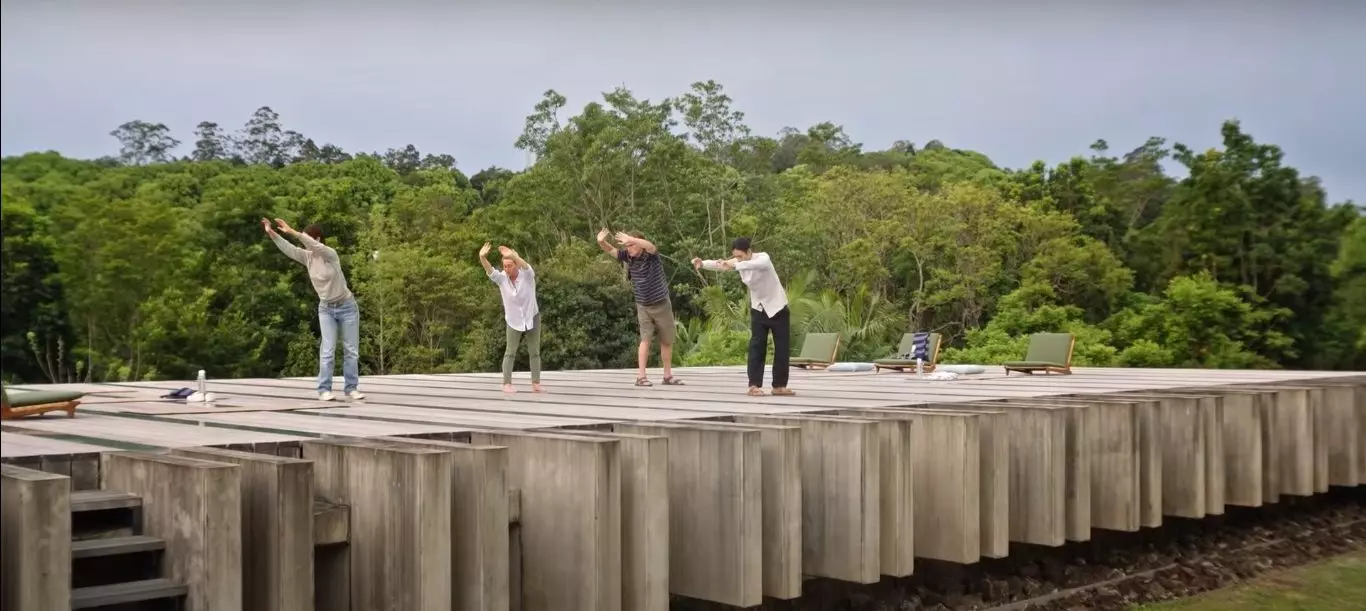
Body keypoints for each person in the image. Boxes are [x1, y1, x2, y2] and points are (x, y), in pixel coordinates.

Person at [262, 218, 364, 401]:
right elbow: (289, 249)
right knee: (327, 350)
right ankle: (324, 389)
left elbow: (307, 242)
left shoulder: (330, 255)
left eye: (309, 239)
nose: (306, 243)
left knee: (350, 350)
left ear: (317, 240)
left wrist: (293, 231)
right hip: (326, 309)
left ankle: (351, 388)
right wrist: (271, 232)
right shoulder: (307, 257)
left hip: (347, 306)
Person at [692, 237, 795, 396]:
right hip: (759, 308)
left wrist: (735, 264)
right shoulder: (739, 262)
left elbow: (754, 265)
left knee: (782, 348)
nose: (737, 258)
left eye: (740, 255)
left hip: (778, 307)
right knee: (756, 346)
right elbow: (722, 264)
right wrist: (703, 263)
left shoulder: (763, 258)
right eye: (736, 256)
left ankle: (779, 385)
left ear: (749, 251)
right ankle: (754, 385)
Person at [597, 228, 683, 387]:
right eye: (627, 246)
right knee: (645, 339)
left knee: (666, 340)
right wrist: (601, 241)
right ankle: (641, 376)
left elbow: (650, 245)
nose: (630, 248)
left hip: (661, 302)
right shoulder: (628, 257)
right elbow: (611, 250)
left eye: (633, 245)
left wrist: (632, 238)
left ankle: (667, 375)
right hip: (643, 304)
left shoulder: (651, 256)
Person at [479, 242, 544, 393]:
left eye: (510, 265)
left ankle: (536, 383)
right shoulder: (502, 279)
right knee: (510, 351)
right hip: (513, 321)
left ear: (516, 264)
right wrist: (482, 257)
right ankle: (506, 383)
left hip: (532, 316)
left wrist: (514, 255)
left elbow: (526, 266)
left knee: (534, 351)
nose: (507, 269)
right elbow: (490, 272)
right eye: (505, 266)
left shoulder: (527, 276)